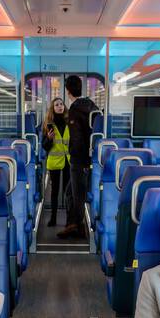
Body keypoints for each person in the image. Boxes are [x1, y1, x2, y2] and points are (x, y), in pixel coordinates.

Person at [60, 74, 98, 240]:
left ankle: (79, 228)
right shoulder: (91, 105)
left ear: (68, 91)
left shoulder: (75, 109)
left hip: (79, 160)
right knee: (70, 192)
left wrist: (74, 158)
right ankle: (72, 224)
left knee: (78, 195)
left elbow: (76, 138)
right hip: (90, 157)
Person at [41, 96, 69, 225]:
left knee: (68, 192)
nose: (60, 106)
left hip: (69, 161)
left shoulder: (70, 122)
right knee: (55, 191)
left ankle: (70, 219)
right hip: (54, 161)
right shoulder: (48, 124)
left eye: (61, 104)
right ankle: (53, 218)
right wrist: (49, 138)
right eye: (57, 104)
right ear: (53, 108)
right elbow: (45, 146)